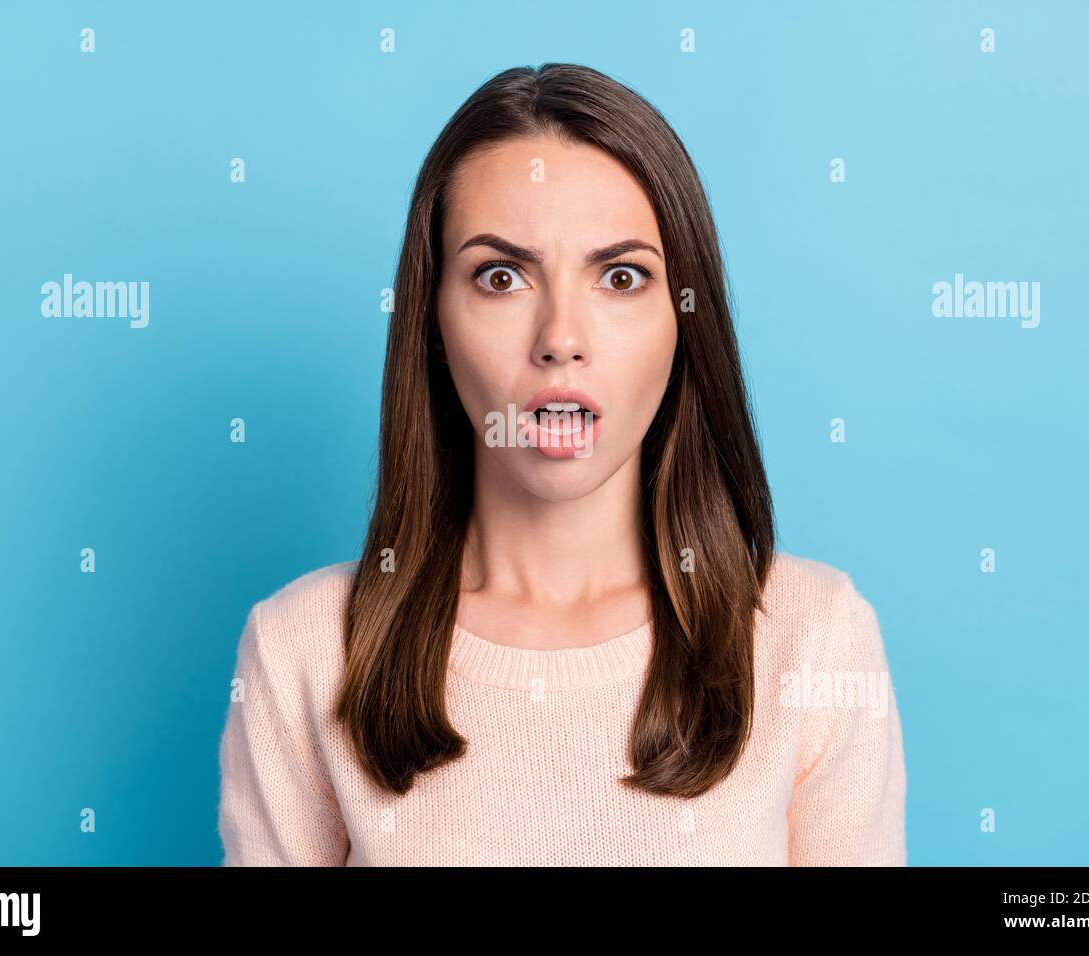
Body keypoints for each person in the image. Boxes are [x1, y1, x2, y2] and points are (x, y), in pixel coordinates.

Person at [217, 62, 906, 866]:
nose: (561, 338)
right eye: (501, 277)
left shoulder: (815, 638)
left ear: (685, 319)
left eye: (621, 277)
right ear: (433, 323)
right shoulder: (304, 649)